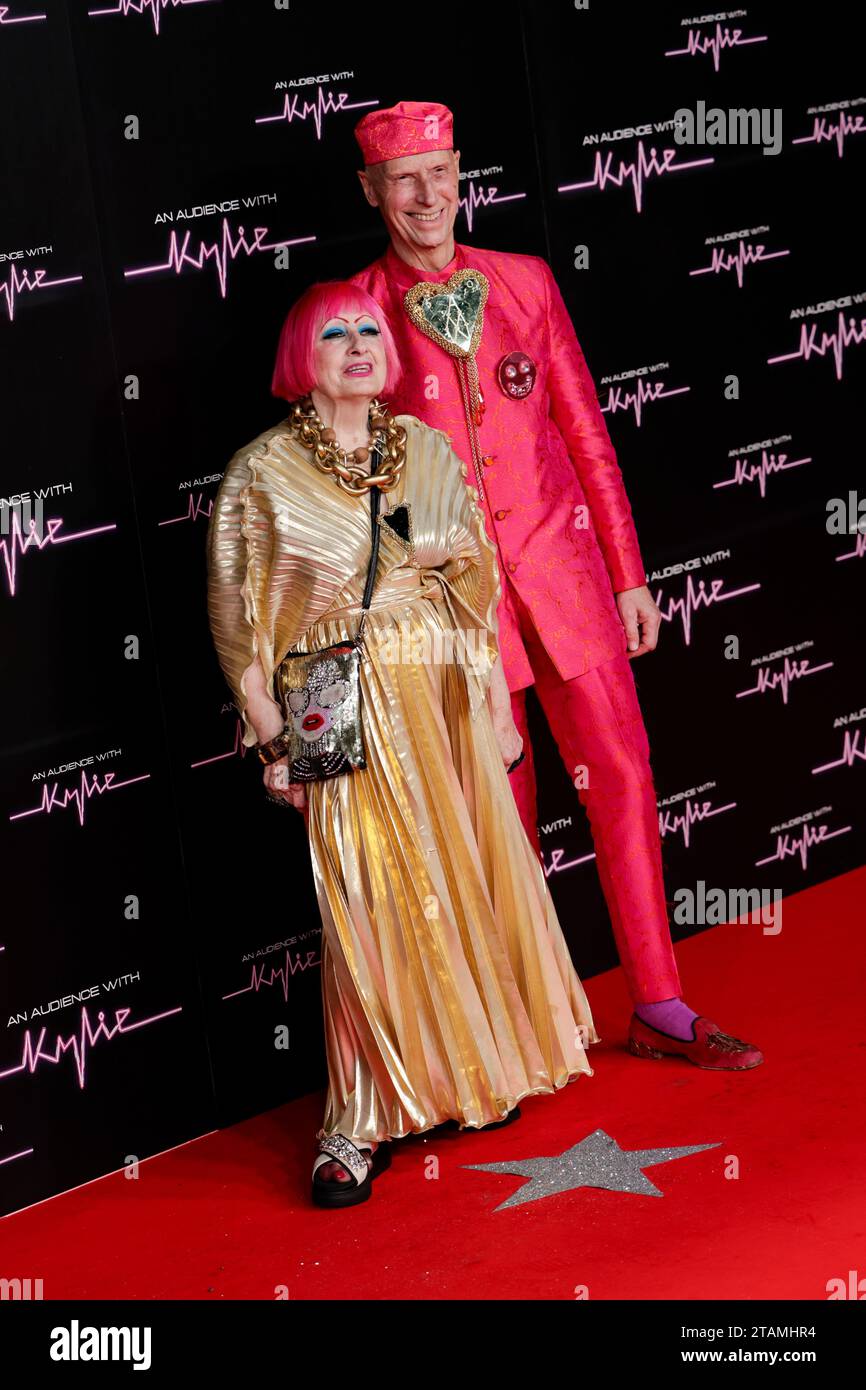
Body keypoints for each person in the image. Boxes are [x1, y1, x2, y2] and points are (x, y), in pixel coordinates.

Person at [350, 100, 763, 1071]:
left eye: (440, 172)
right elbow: (356, 478)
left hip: (565, 579)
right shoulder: (356, 308)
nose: (425, 195)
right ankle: (532, 1020)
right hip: (454, 613)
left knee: (620, 780)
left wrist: (624, 572)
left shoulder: (525, 281)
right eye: (403, 179)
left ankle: (658, 1004)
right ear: (370, 191)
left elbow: (583, 432)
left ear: (460, 176)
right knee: (502, 813)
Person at [205, 281, 600, 1208]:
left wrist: (498, 713)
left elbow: (469, 584)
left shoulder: (419, 450)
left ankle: (467, 1074)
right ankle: (358, 1119)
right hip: (334, 699)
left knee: (462, 876)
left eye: (370, 331)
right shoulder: (260, 475)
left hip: (440, 689)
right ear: (302, 355)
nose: (357, 345)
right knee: (365, 907)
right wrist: (274, 747)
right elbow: (239, 631)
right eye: (334, 332)